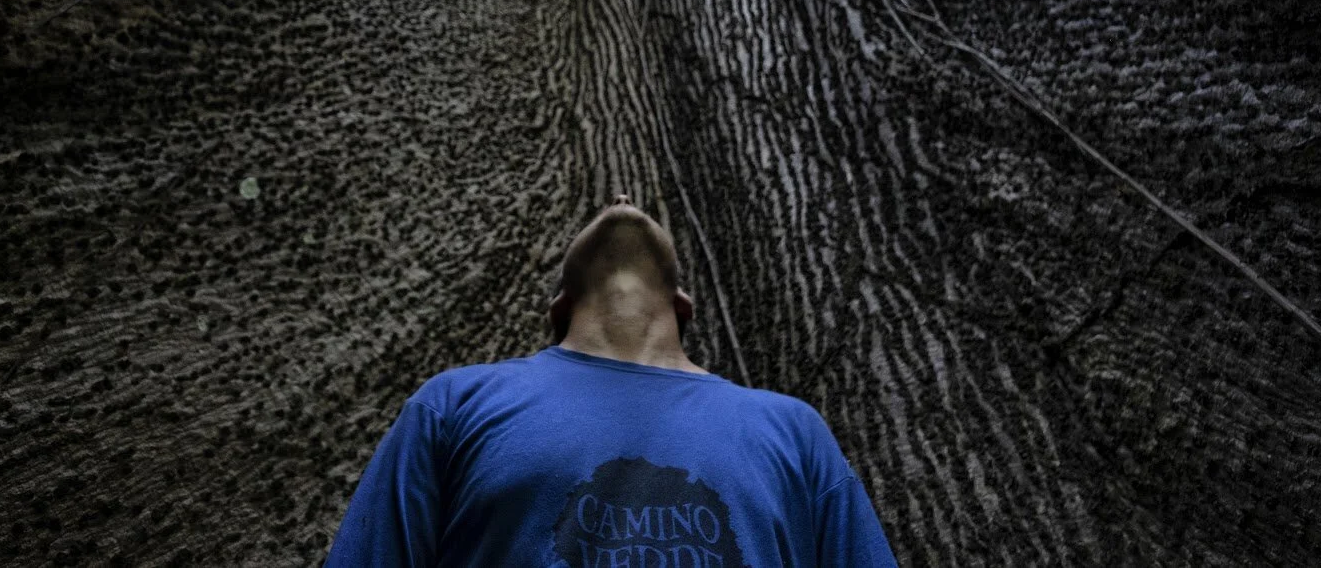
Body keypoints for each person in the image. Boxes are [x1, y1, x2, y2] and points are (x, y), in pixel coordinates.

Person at [324, 197, 898, 567]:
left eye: (629, 201)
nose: (622, 199)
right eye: (606, 205)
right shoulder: (453, 405)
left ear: (684, 304)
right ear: (558, 306)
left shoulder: (794, 430)